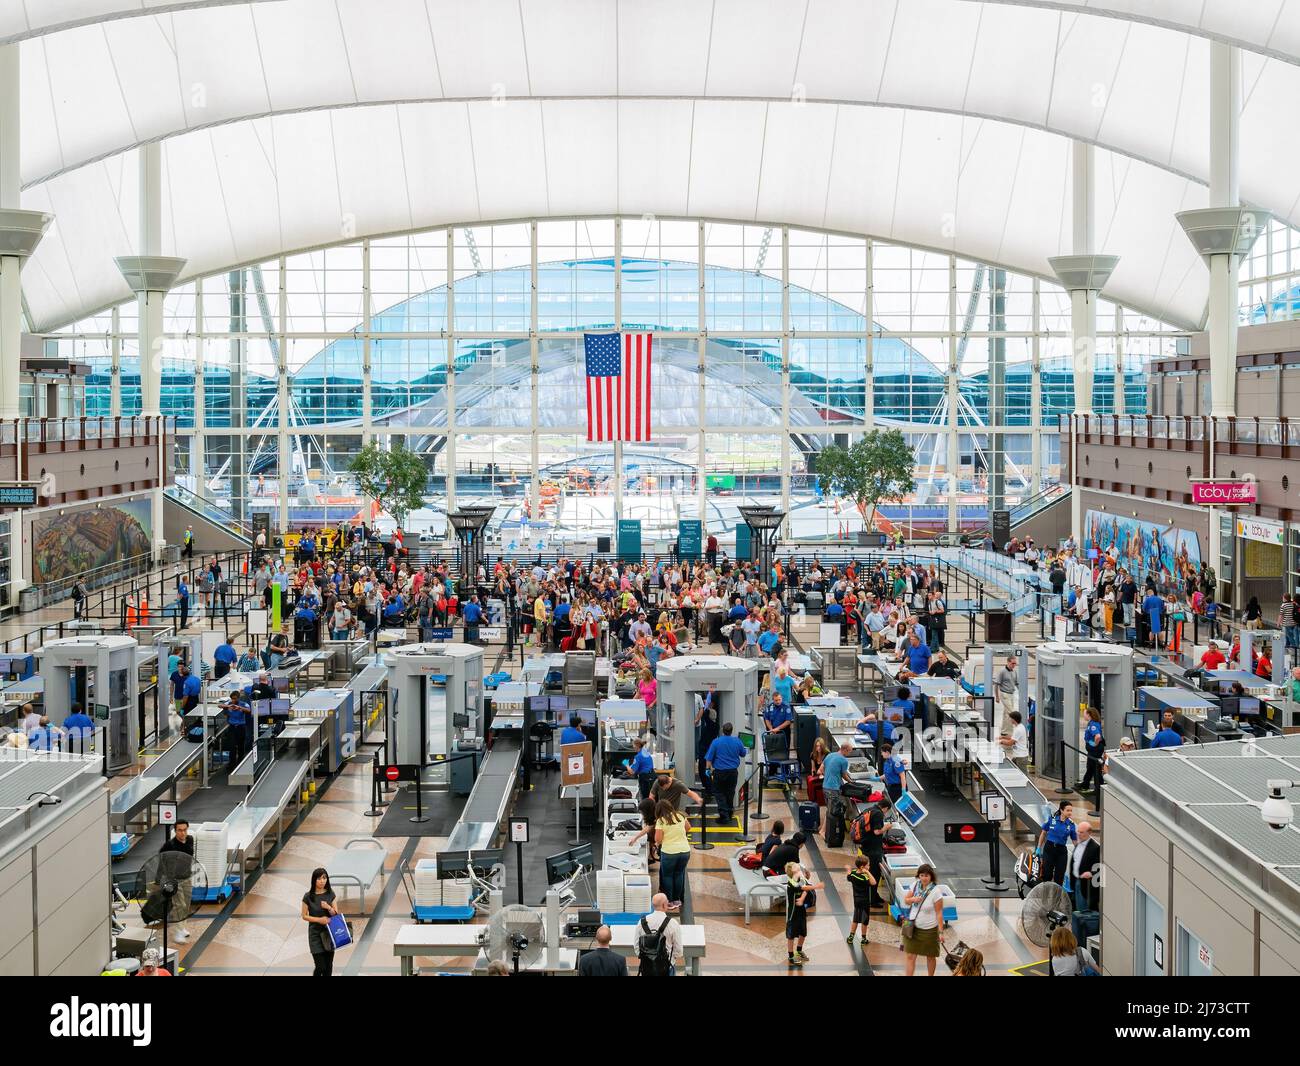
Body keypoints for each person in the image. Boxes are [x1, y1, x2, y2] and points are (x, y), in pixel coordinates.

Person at [629, 800, 691, 911]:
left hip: (670, 853)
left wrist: (662, 841)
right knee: (679, 874)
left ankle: (670, 901)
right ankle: (677, 900)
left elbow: (658, 839)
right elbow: (688, 828)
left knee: (667, 876)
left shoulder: (661, 821)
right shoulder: (680, 815)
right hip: (685, 851)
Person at [900, 863, 947, 976]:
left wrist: (940, 932)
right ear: (918, 876)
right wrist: (913, 899)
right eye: (921, 875)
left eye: (926, 875)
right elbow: (906, 900)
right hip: (912, 928)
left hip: (929, 930)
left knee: (930, 957)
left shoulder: (936, 891)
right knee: (910, 956)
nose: (924, 878)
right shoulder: (915, 885)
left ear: (931, 876)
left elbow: (939, 913)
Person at [704, 721, 747, 825]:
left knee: (719, 793)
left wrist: (707, 769)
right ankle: (730, 813)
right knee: (730, 792)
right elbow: (743, 754)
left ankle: (724, 816)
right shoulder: (737, 741)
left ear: (722, 731)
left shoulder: (716, 742)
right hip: (733, 773)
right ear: (731, 731)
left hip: (719, 772)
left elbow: (709, 758)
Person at [784, 861, 822, 967]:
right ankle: (791, 956)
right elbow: (804, 888)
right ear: (792, 871)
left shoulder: (801, 878)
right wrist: (817, 886)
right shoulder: (791, 883)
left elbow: (806, 886)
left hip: (801, 911)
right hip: (793, 912)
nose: (799, 867)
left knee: (803, 932)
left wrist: (801, 898)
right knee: (791, 935)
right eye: (797, 866)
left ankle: (799, 951)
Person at [302, 867, 339, 976]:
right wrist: (319, 920)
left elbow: (336, 914)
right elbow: (304, 916)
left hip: (329, 934)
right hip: (315, 935)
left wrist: (328, 907)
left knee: (328, 966)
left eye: (324, 878)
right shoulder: (308, 897)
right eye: (319, 878)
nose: (322, 881)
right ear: (314, 880)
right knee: (320, 966)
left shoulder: (330, 894)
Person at [637, 894, 681, 976]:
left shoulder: (642, 922)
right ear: (664, 905)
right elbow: (678, 951)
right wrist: (671, 959)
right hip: (667, 968)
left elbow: (637, 946)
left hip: (647, 967)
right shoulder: (673, 924)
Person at [1036, 800, 1078, 886]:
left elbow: (1074, 841)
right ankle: (1046, 895)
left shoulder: (1071, 824)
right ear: (1062, 810)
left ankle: (1056, 897)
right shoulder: (1052, 819)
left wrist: (1079, 852)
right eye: (1068, 810)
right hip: (1049, 849)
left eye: (1071, 810)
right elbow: (1043, 833)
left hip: (1061, 851)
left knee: (1059, 877)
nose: (1070, 812)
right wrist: (1039, 847)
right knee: (1047, 875)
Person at [820, 740, 853, 832]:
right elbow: (844, 775)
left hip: (825, 786)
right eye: (850, 751)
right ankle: (824, 831)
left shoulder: (830, 755)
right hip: (833, 789)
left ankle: (829, 830)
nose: (850, 753)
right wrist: (851, 782)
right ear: (845, 750)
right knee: (832, 812)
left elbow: (821, 769)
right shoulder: (843, 760)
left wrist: (829, 777)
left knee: (830, 809)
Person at [845, 854, 877, 945]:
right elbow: (874, 883)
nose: (869, 866)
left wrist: (848, 870)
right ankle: (863, 939)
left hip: (856, 901)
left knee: (855, 919)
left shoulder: (854, 873)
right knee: (864, 921)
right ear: (863, 867)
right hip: (865, 902)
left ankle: (851, 937)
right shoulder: (864, 877)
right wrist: (867, 872)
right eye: (868, 865)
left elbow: (848, 877)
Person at [1072, 820, 1101, 913]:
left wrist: (1091, 873)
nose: (1079, 834)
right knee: (1077, 909)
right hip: (1076, 882)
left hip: (1086, 886)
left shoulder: (1095, 848)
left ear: (1089, 833)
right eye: (1078, 831)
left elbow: (1100, 868)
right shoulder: (1078, 845)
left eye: (1081, 832)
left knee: (1084, 913)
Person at [1079, 705, 1104, 795]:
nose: (1083, 715)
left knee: (1095, 768)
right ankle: (1085, 784)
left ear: (1089, 714)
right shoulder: (1091, 723)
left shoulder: (1093, 725)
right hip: (1093, 750)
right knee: (1090, 768)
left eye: (1084, 713)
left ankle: (1098, 789)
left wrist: (1095, 745)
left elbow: (1097, 736)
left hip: (1095, 750)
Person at [762, 690, 793, 759]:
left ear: (781, 698)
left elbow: (788, 721)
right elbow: (766, 719)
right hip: (772, 731)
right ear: (773, 700)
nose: (778, 701)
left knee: (784, 750)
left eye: (779, 699)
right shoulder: (769, 707)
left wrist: (777, 729)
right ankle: (773, 767)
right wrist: (771, 729)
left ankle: (785, 767)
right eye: (776, 700)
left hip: (784, 731)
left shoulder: (786, 707)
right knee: (772, 750)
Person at [995, 655, 1018, 735]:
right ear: (1008, 662)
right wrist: (997, 697)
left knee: (1006, 714)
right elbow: (996, 684)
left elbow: (1017, 683)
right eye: (1013, 663)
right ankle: (1012, 731)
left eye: (1015, 663)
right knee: (1012, 712)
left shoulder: (1014, 672)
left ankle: (1004, 731)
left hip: (1011, 695)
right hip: (1004, 694)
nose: (1014, 665)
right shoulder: (1002, 671)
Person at [629, 736, 656, 800]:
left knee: (646, 798)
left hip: (645, 778)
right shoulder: (646, 752)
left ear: (636, 746)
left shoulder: (638, 756)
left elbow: (632, 771)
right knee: (652, 797)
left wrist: (626, 764)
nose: (633, 747)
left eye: (633, 745)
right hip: (653, 775)